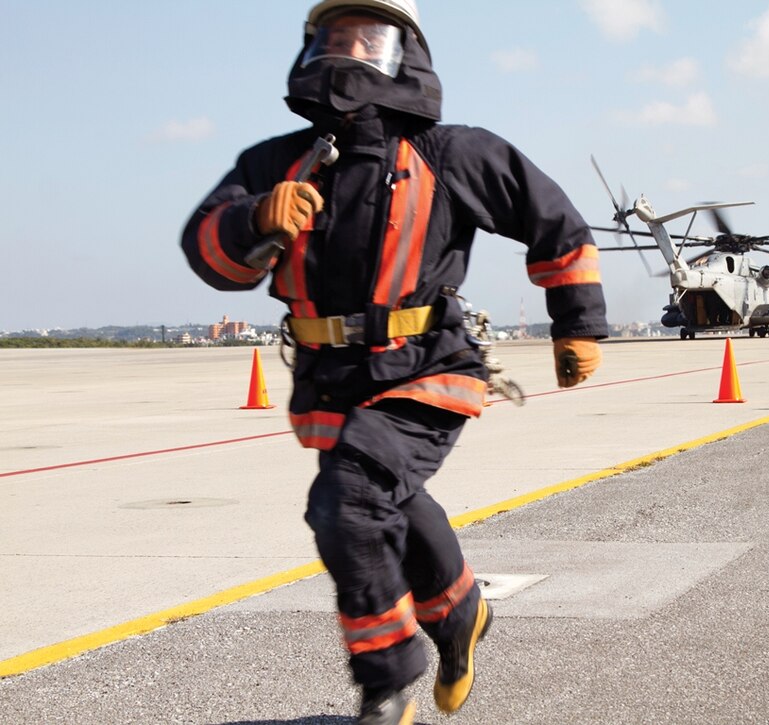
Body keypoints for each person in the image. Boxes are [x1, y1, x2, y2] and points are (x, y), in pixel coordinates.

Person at [180, 2, 608, 722]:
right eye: (333, 37)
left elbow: (554, 222)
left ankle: (384, 684)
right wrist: (254, 216)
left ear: (405, 54)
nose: (348, 52)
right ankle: (459, 610)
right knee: (388, 503)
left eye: (369, 39)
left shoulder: (450, 151)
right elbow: (207, 253)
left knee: (344, 503)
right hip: (329, 378)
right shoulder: (271, 163)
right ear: (310, 48)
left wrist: (578, 324)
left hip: (425, 365)